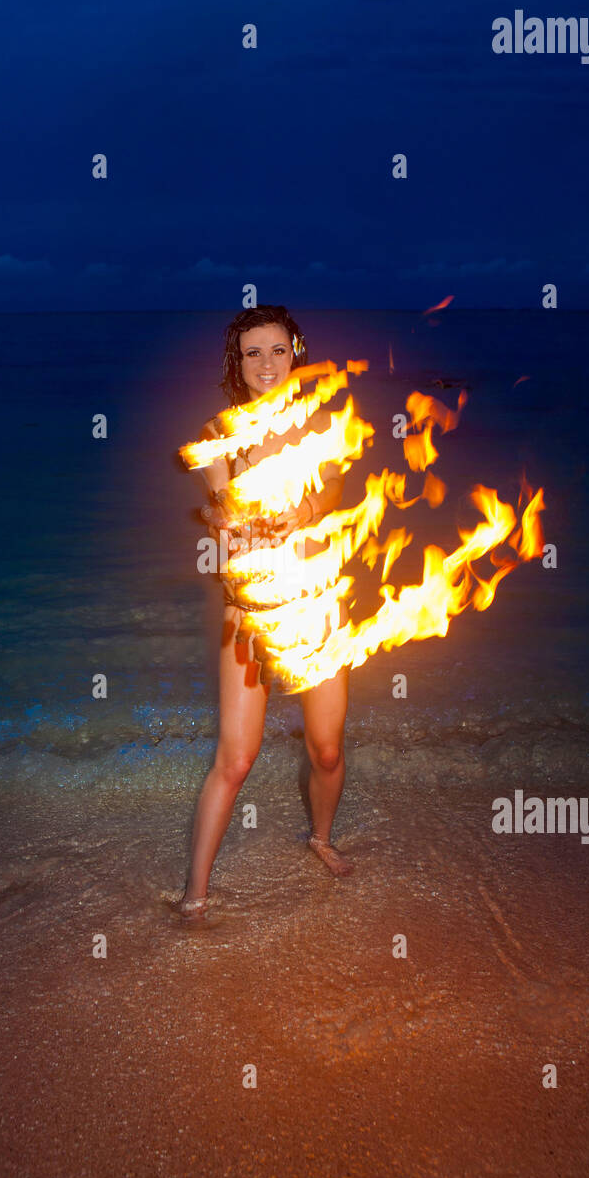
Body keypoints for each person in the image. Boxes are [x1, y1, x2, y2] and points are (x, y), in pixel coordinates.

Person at [180, 305, 353, 918]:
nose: (266, 364)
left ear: (295, 353)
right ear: (238, 362)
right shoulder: (217, 434)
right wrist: (233, 522)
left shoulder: (322, 426)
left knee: (327, 749)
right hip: (249, 612)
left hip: (315, 607)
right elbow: (222, 514)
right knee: (236, 756)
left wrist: (302, 516)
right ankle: (195, 894)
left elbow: (329, 494)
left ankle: (320, 838)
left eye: (277, 350)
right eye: (253, 353)